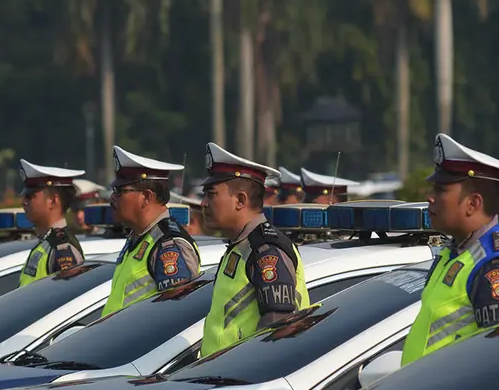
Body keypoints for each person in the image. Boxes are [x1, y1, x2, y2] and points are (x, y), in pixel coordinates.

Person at [401, 134, 499, 366]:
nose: (430, 197)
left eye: (440, 190)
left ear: (473, 204)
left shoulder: (495, 265)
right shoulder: (456, 251)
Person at [199, 142, 310, 357]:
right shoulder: (242, 246)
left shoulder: (266, 251)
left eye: (211, 195)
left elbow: (276, 339)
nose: (203, 203)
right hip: (220, 374)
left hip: (244, 376)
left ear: (240, 200)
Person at [102, 146, 201, 315]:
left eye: (120, 191)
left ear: (146, 197)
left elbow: (177, 315)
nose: (113, 197)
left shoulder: (169, 245)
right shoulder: (138, 237)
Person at [17, 159, 85, 287]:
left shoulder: (62, 250)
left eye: (30, 196)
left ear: (53, 201)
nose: (23, 202)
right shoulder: (47, 242)